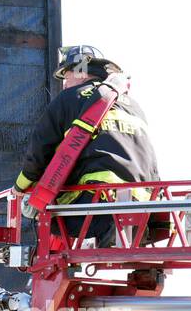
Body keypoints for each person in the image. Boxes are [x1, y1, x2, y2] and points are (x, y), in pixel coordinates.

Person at [12, 45, 160, 246]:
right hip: (141, 210)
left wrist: (20, 188)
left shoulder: (70, 98)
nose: (64, 84)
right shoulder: (133, 107)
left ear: (81, 71)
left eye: (67, 75)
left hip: (95, 207)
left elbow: (40, 151)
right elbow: (151, 161)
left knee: (48, 217)